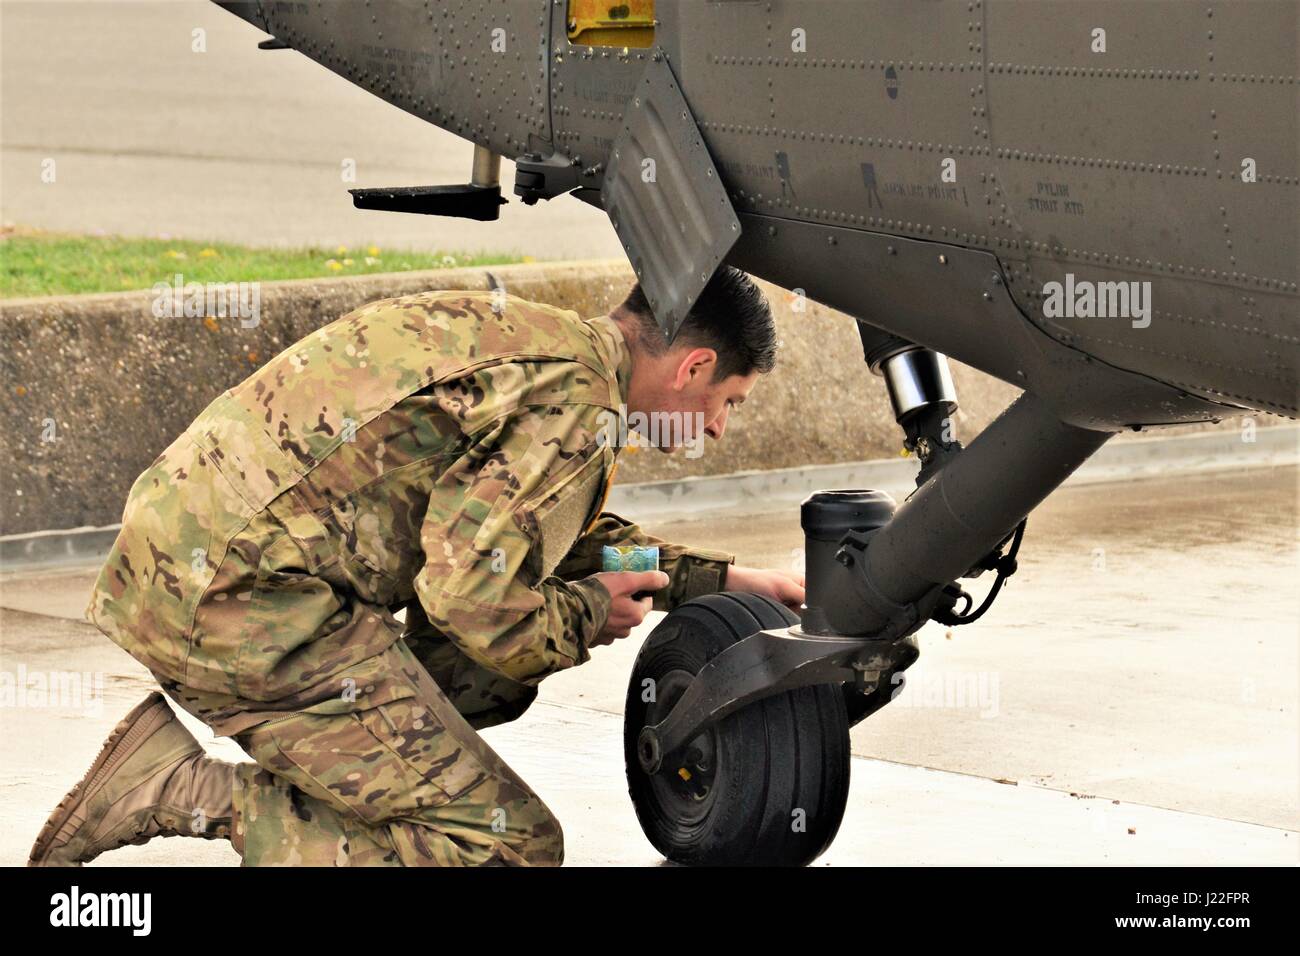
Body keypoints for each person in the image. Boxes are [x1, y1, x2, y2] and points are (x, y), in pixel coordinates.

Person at [30, 266, 804, 867]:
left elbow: (547, 536)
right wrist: (589, 613)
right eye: (729, 401)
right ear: (694, 366)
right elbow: (471, 600)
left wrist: (724, 581)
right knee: (508, 847)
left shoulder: (542, 346)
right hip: (239, 608)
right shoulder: (580, 410)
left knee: (471, 689)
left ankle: (359, 773)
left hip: (186, 567)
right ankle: (181, 789)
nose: (719, 427)